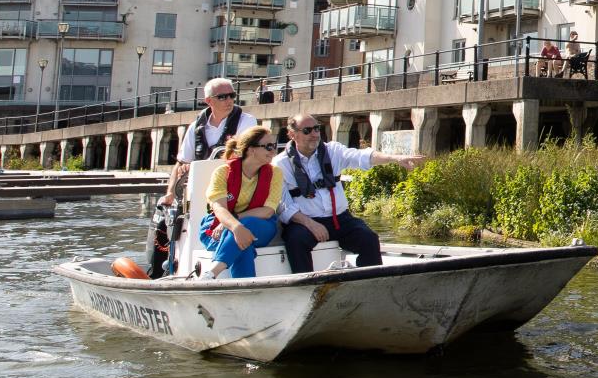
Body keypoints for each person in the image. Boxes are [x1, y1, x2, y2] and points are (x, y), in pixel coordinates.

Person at [275, 114, 416, 273]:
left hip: (339, 219)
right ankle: (306, 288)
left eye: (316, 129)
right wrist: (311, 224)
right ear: (292, 135)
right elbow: (283, 206)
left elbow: (362, 156)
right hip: (304, 221)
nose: (314, 134)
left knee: (368, 239)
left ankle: (370, 284)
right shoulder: (280, 164)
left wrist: (394, 158)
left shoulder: (332, 151)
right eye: (307, 130)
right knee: (296, 241)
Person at [147, 78, 257, 277]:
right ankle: (161, 273)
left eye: (232, 95)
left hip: (233, 189)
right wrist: (170, 193)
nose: (229, 100)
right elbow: (181, 162)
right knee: (166, 221)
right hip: (198, 193)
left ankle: (217, 269)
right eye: (222, 96)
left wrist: (198, 165)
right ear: (209, 101)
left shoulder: (246, 122)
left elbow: (244, 156)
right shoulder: (196, 126)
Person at [197, 126, 284, 280]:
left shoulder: (275, 173)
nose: (274, 151)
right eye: (268, 146)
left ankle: (212, 273)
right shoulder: (222, 173)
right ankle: (246, 293)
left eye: (274, 146)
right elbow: (219, 209)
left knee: (247, 225)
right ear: (251, 150)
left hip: (260, 226)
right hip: (216, 229)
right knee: (244, 244)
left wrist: (234, 224)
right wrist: (235, 227)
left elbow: (268, 211)